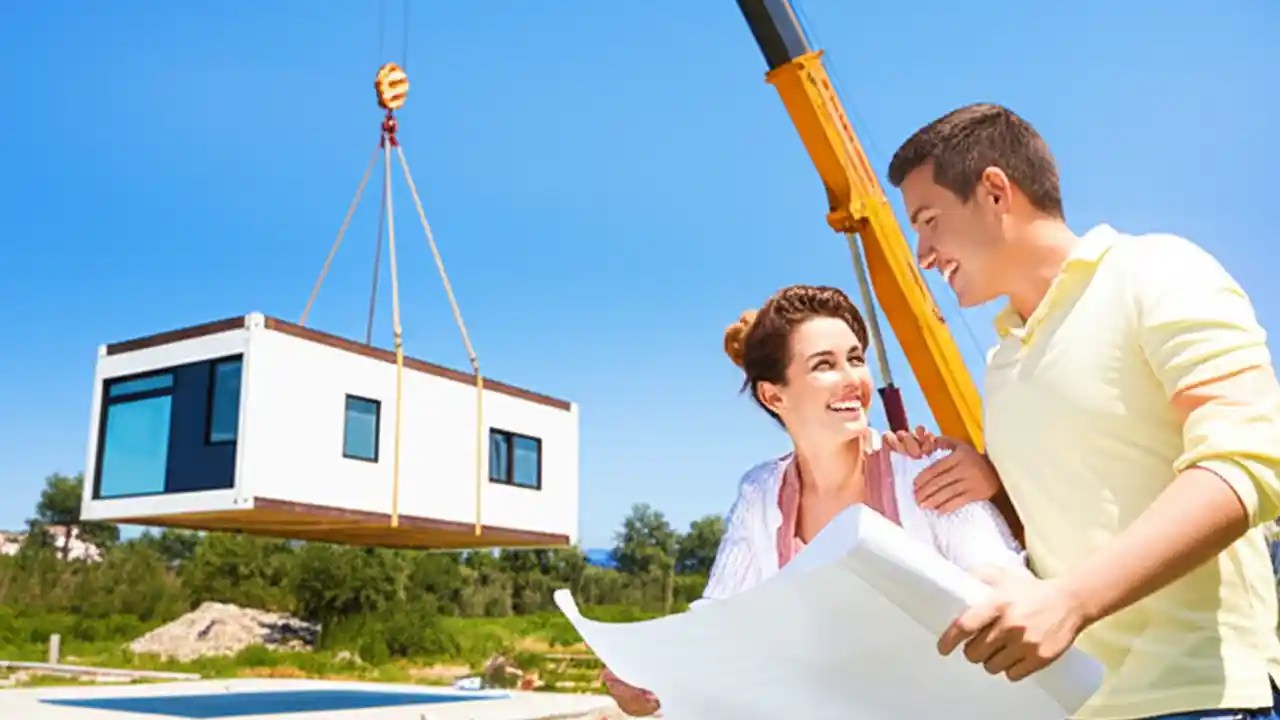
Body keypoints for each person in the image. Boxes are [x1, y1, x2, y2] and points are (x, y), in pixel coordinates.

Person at [885, 102, 1280, 719]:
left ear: (994, 191)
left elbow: (1251, 463)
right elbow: (1084, 509)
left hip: (1199, 697)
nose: (923, 253)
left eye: (930, 220)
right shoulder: (1003, 362)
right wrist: (998, 484)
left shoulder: (1155, 271)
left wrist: (1070, 600)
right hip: (1075, 704)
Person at [602, 283, 1026, 716]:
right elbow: (720, 618)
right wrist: (654, 676)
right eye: (825, 365)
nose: (853, 381)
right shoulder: (762, 492)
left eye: (856, 359)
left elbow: (997, 572)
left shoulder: (923, 466)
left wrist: (1006, 596)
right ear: (774, 395)